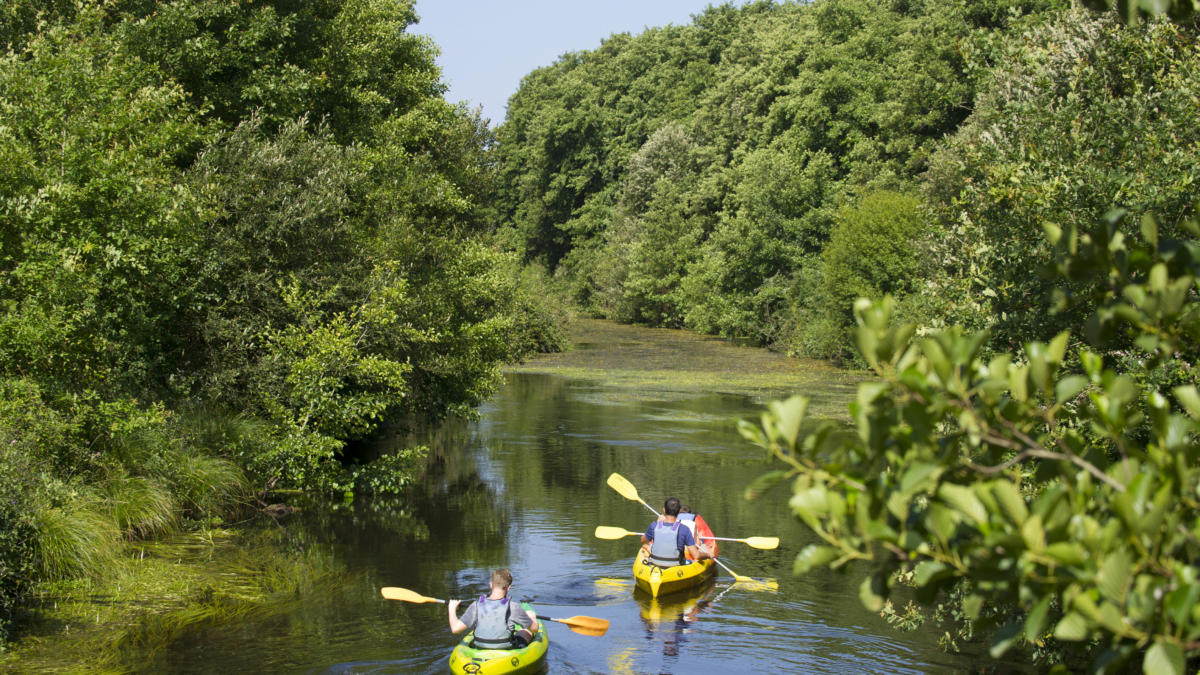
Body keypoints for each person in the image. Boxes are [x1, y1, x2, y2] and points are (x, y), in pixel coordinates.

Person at [448, 568, 539, 649]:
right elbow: (535, 629)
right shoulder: (513, 607)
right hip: (506, 649)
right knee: (525, 631)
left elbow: (455, 628)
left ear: (491, 585)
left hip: (480, 646)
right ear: (508, 588)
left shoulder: (476, 605)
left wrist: (452, 609)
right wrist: (532, 617)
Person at [641, 497, 712, 567]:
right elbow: (696, 555)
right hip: (676, 566)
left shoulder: (654, 526)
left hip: (655, 564)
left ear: (664, 510)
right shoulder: (684, 529)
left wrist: (657, 524)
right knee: (691, 560)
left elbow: (643, 541)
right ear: (678, 512)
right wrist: (708, 555)